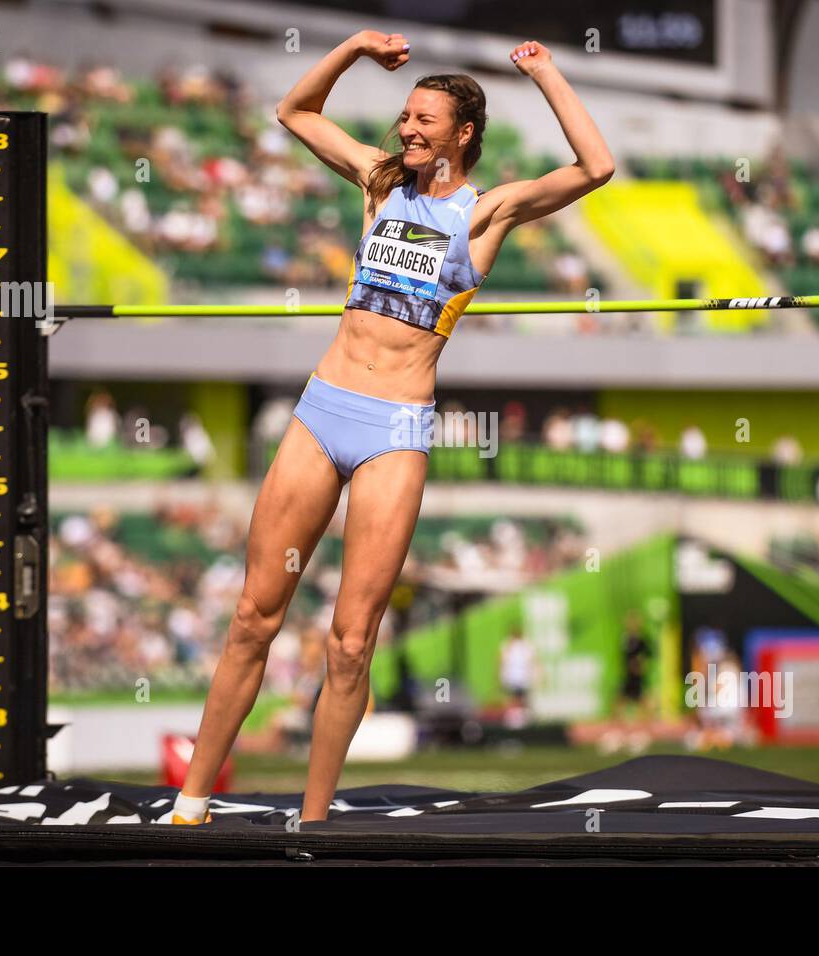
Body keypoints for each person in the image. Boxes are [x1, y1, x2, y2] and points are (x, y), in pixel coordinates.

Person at [169, 30, 614, 825]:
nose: (406, 130)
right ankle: (193, 800)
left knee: (350, 643)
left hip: (395, 429)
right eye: (404, 116)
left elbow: (596, 168)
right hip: (321, 411)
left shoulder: (486, 212)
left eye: (423, 121)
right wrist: (349, 49)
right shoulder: (379, 184)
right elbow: (294, 110)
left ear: (463, 135)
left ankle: (312, 822)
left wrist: (546, 73)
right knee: (253, 617)